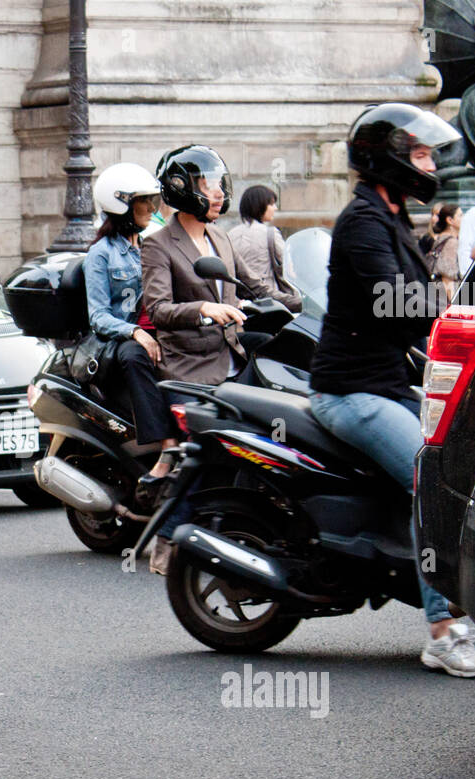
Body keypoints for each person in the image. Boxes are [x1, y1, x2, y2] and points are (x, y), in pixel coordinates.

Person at [308, 102, 475, 678]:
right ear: (387, 158)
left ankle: (470, 603)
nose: (429, 164)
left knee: (466, 453)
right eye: (418, 154)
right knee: (431, 477)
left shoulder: (392, 218)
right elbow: (395, 302)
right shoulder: (363, 223)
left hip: (387, 384)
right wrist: (469, 317)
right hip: (348, 391)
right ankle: (441, 631)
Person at [141, 144, 278, 574]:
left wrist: (311, 305)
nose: (218, 193)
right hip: (191, 366)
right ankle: (167, 537)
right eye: (207, 184)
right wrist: (205, 309)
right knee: (215, 444)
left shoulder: (221, 236)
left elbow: (255, 288)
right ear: (183, 188)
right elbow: (158, 308)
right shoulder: (158, 245)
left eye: (219, 184)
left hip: (233, 359)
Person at [82, 162, 179, 488]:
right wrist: (136, 332)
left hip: (159, 327)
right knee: (134, 356)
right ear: (121, 205)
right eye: (143, 201)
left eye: (152, 201)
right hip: (120, 337)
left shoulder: (153, 242)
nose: (151, 208)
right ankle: (166, 447)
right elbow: (98, 316)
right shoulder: (101, 254)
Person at [227, 184, 303, 311]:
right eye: (271, 204)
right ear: (260, 205)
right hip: (271, 300)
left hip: (240, 302)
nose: (275, 208)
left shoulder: (230, 234)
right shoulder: (270, 233)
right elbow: (288, 268)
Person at [427, 203, 461, 299]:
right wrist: (454, 305)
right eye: (460, 215)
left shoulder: (441, 238)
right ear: (450, 220)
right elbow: (447, 278)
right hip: (445, 298)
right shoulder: (451, 242)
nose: (463, 218)